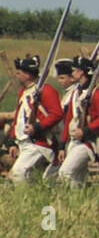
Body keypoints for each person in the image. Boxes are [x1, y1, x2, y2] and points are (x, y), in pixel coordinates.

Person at [1, 55, 63, 183]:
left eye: (19, 72)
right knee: (30, 177)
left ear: (28, 75)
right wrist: (12, 141)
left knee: (18, 173)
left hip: (39, 141)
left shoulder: (46, 90)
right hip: (25, 141)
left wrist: (37, 127)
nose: (17, 75)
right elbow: (19, 118)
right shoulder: (24, 92)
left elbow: (56, 114)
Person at [57, 56, 99, 187]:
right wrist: (62, 145)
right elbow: (69, 119)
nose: (72, 73)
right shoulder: (75, 93)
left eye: (74, 70)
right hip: (74, 140)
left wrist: (85, 130)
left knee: (65, 173)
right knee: (77, 178)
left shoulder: (96, 94)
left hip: (89, 141)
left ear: (81, 72)